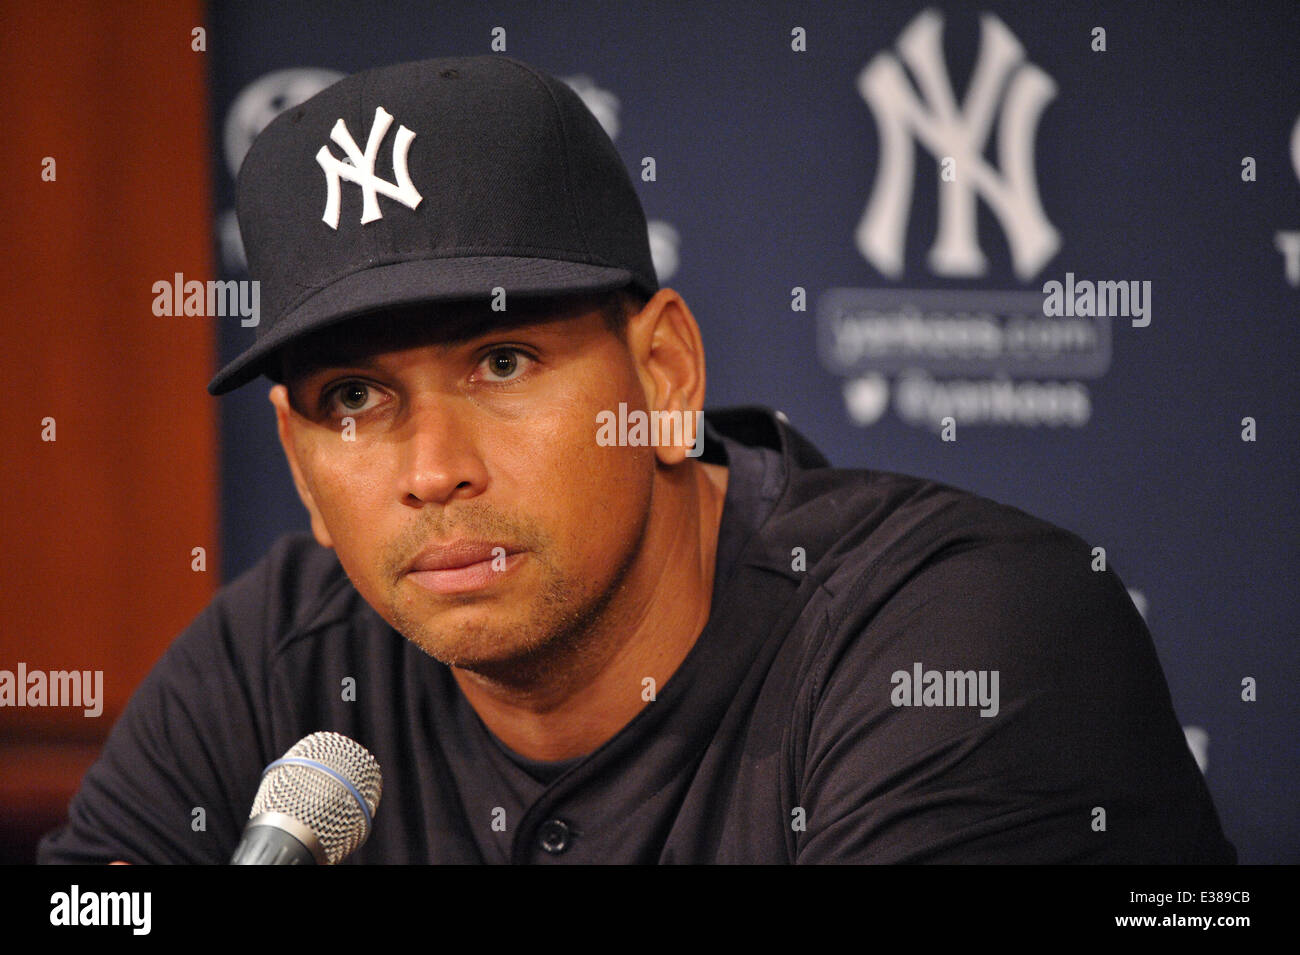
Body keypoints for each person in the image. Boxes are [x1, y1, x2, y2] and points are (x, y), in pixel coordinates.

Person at [38, 55, 1234, 864]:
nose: (432, 468)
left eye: (502, 362)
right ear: (299, 463)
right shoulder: (271, 667)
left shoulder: (965, 634)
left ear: (662, 379)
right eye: (355, 398)